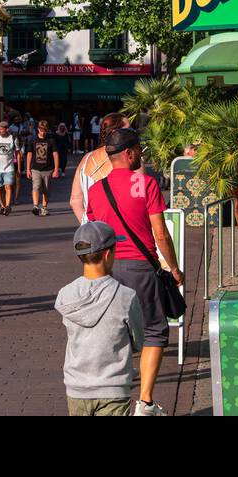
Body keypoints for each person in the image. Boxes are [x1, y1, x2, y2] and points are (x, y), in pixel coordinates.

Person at [85, 128, 182, 416]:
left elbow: (93, 233)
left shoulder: (96, 189)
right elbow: (161, 233)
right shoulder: (146, 184)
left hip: (107, 269)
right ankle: (145, 402)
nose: (141, 153)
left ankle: (113, 398)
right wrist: (173, 268)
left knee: (115, 332)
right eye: (139, 149)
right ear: (129, 153)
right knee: (154, 330)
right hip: (141, 266)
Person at [55, 220, 144, 417]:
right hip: (113, 385)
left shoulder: (65, 295)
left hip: (76, 385)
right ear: (107, 254)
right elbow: (138, 342)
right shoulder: (126, 296)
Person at [70, 111, 128, 224]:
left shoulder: (86, 159)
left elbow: (75, 200)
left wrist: (85, 223)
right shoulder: (130, 159)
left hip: (92, 231)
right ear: (116, 132)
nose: (133, 132)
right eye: (128, 129)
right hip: (122, 230)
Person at [26, 119, 60, 218]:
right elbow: (29, 154)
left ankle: (44, 207)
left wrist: (56, 169)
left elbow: (55, 154)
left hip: (48, 169)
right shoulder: (33, 140)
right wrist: (28, 169)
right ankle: (36, 206)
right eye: (41, 130)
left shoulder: (51, 140)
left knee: (46, 190)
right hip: (35, 169)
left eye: (45, 130)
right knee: (35, 187)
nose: (43, 132)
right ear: (38, 129)